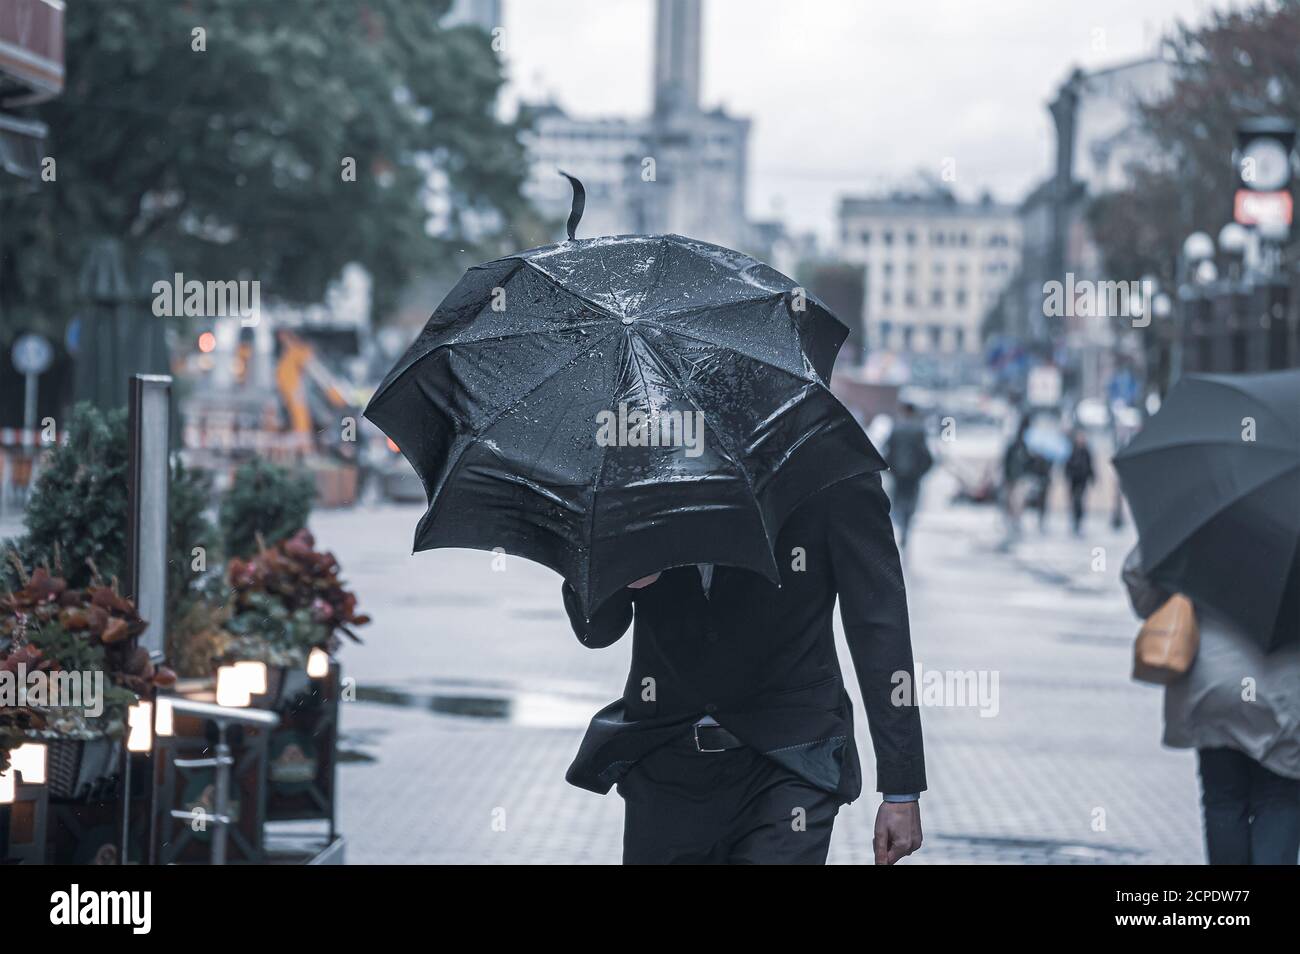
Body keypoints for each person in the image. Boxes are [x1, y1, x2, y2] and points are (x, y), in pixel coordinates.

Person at [561, 469, 927, 865]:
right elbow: (595, 632)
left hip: (790, 764)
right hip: (666, 765)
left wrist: (900, 789)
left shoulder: (828, 471)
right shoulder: (638, 474)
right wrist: (617, 573)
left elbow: (879, 625)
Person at [1124, 547, 1300, 865]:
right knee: (1280, 799)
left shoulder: (1202, 513)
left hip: (1213, 683)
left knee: (1224, 798)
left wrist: (1172, 597)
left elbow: (1138, 573)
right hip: (1286, 694)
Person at [882, 403, 933, 549]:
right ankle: (906, 526)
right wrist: (922, 471)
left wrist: (890, 469)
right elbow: (926, 455)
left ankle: (900, 527)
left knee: (898, 501)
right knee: (910, 502)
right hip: (914, 474)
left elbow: (887, 450)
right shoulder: (919, 430)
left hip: (898, 473)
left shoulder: (896, 428)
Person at [1000, 416, 1037, 544]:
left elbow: (1027, 463)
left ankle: (1015, 520)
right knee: (1012, 501)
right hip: (1013, 478)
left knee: (1016, 501)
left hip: (1018, 478)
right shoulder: (1017, 447)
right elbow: (1006, 462)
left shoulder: (1023, 447)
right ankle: (1013, 520)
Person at [1064, 430, 1095, 536]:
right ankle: (1075, 521)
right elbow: (1067, 465)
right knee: (1074, 501)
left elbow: (1090, 465)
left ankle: (1079, 521)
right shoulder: (1072, 450)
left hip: (1083, 480)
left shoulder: (1086, 451)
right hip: (1074, 480)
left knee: (1079, 500)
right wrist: (1068, 475)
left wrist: (1093, 478)